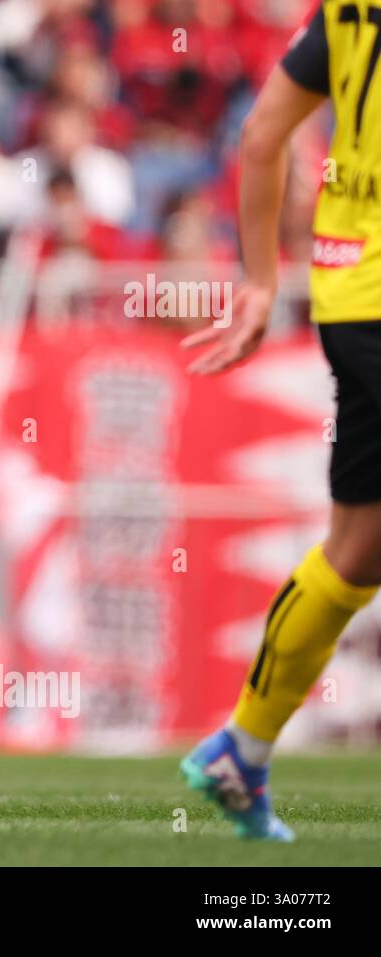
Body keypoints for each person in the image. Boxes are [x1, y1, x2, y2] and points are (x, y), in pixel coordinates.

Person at [179, 3, 374, 842]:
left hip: (348, 292)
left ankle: (242, 750)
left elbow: (262, 136)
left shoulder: (348, 11)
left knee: (361, 548)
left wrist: (261, 279)